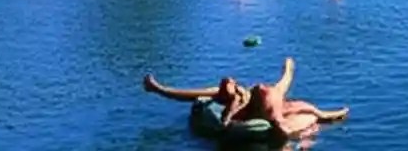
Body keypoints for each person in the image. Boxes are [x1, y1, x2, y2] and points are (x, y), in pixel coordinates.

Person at [142, 58, 348, 138]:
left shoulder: (240, 92)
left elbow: (281, 87)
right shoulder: (227, 96)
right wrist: (160, 89)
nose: (228, 79)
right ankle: (323, 116)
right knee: (288, 101)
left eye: (230, 80)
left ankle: (326, 114)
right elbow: (189, 95)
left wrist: (286, 70)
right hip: (265, 107)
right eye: (228, 82)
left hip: (268, 101)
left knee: (292, 96)